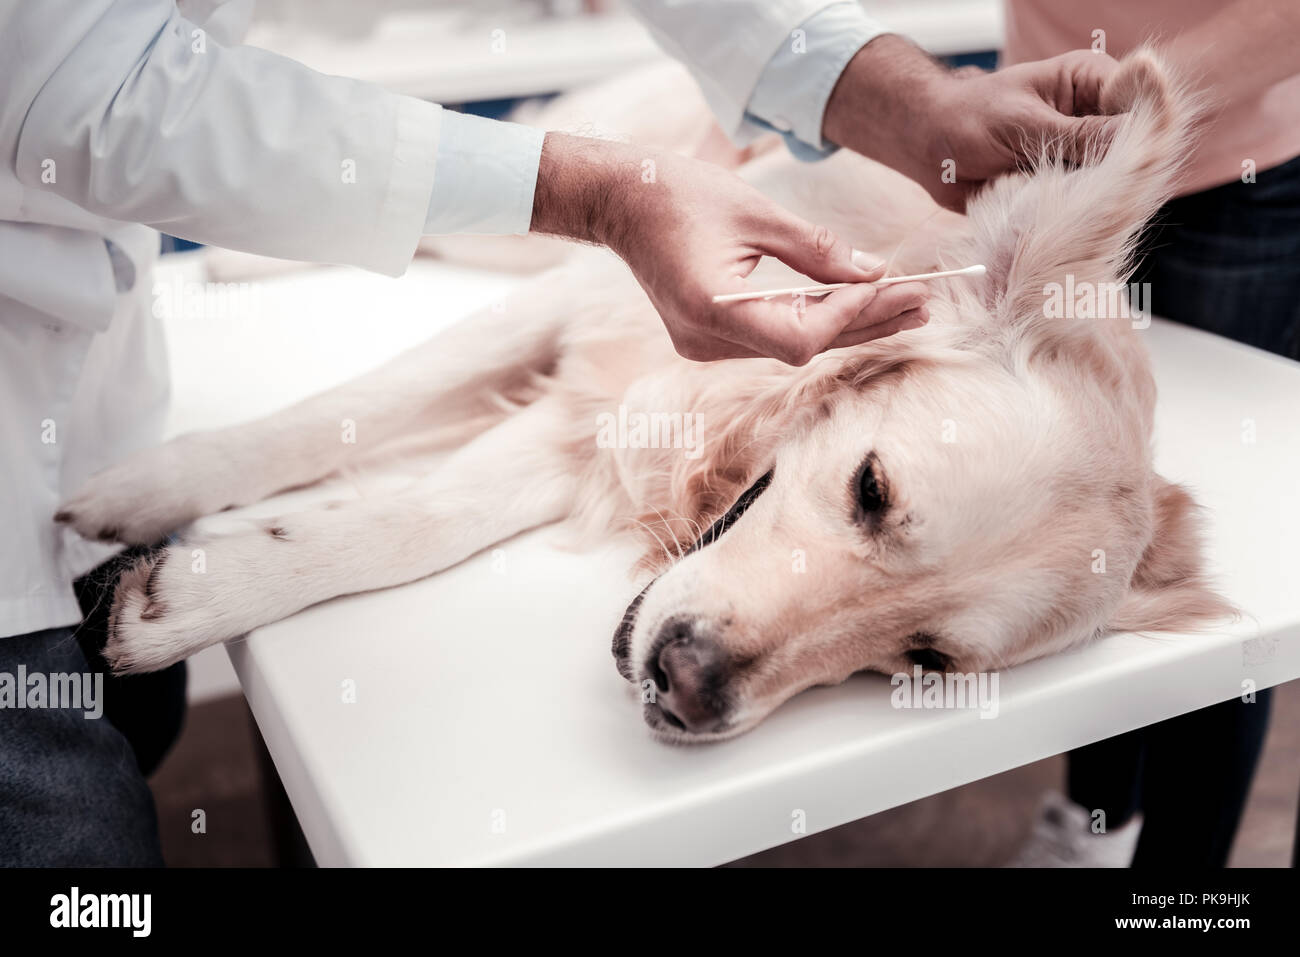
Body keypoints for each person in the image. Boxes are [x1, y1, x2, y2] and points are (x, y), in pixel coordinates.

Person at [0, 0, 1123, 865]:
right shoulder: (931, 326)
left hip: (78, 354)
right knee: (79, 833)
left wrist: (894, 91)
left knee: (128, 720)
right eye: (872, 500)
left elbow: (585, 429)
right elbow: (76, 90)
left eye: (919, 654)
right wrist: (596, 195)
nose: (722, 677)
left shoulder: (1008, 467)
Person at [998, 0, 1300, 867]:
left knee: (1205, 549)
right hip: (1048, 148)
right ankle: (1094, 823)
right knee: (1080, 519)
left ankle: (1181, 895)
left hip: (1240, 165)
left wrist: (1130, 120)